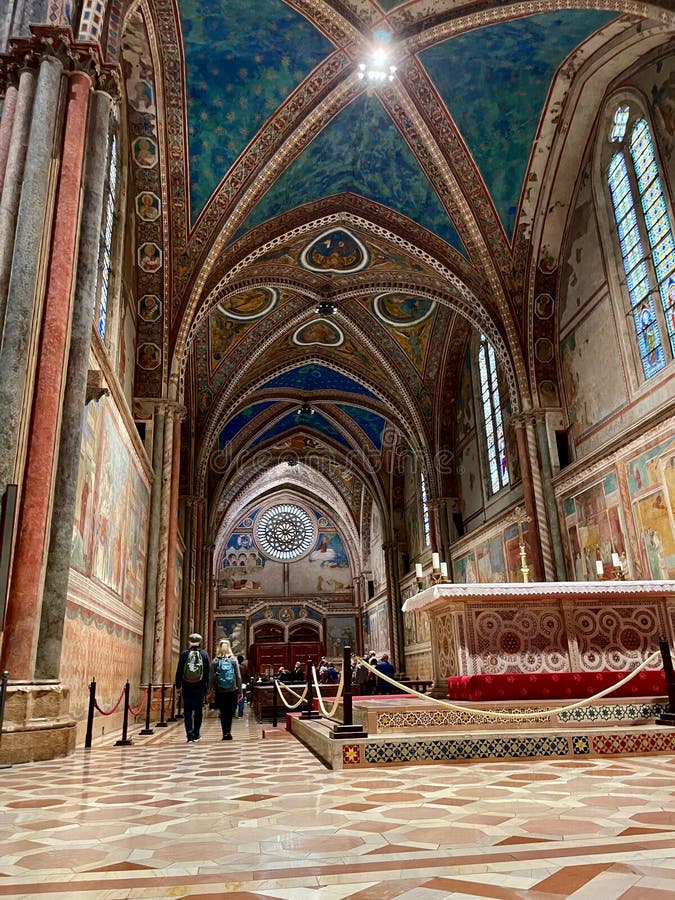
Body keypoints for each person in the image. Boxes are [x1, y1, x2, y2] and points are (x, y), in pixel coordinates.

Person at [175, 633, 210, 743]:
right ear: (200, 642)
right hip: (200, 687)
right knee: (198, 711)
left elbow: (179, 671)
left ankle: (189, 735)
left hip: (187, 686)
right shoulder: (204, 654)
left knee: (188, 711)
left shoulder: (184, 654)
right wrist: (208, 688)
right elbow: (208, 672)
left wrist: (178, 686)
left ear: (189, 642)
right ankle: (197, 734)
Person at [210, 639, 242, 740]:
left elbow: (211, 677)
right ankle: (228, 732)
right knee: (229, 712)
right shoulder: (233, 660)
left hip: (220, 690)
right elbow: (238, 676)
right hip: (232, 690)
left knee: (223, 712)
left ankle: (224, 733)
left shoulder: (215, 660)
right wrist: (240, 691)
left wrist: (210, 689)